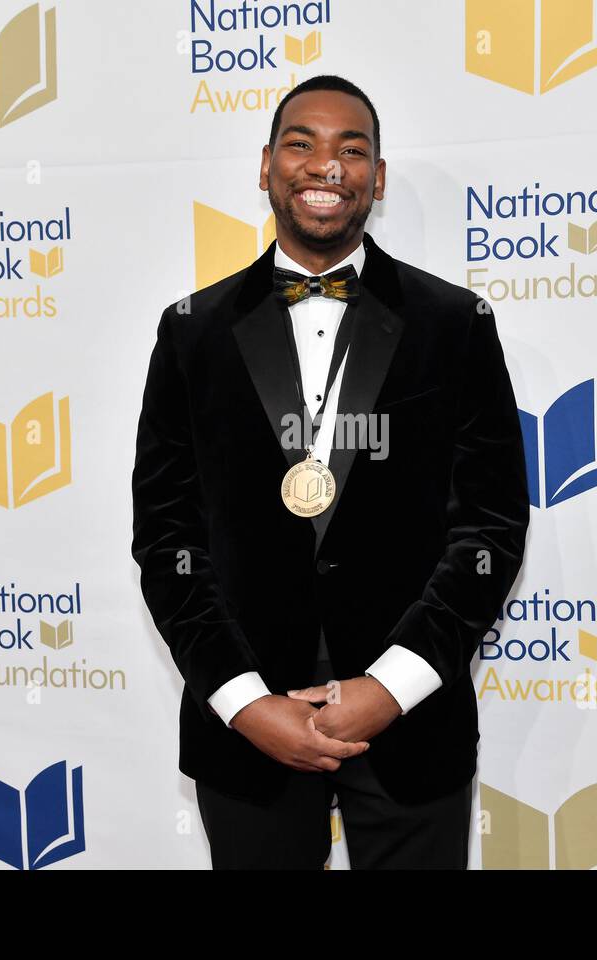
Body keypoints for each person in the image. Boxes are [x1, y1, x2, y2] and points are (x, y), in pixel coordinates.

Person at [131, 75, 529, 869]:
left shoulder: (456, 324)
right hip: (251, 726)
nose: (327, 166)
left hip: (413, 719)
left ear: (378, 178)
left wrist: (392, 687)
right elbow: (167, 541)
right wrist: (244, 703)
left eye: (353, 150)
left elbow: (490, 528)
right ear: (266, 166)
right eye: (301, 144)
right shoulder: (191, 332)